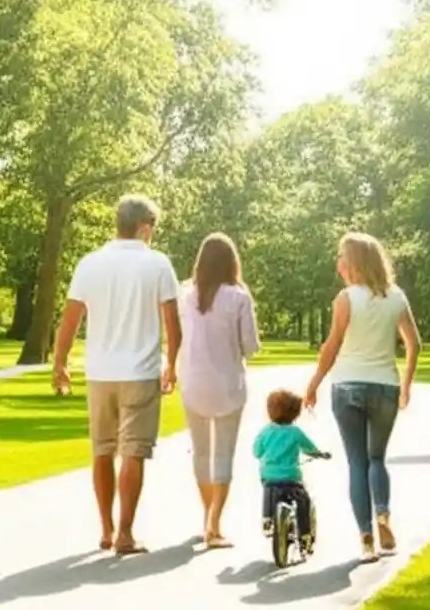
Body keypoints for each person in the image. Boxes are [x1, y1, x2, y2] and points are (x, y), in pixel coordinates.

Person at [51, 194, 182, 556]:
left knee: (102, 451)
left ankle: (106, 530)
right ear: (144, 227)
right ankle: (125, 533)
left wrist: (59, 362)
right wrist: (172, 364)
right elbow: (173, 322)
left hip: (100, 373)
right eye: (152, 228)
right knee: (133, 453)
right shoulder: (157, 264)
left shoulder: (90, 264)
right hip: (140, 372)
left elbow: (71, 319)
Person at [304, 232, 421, 563]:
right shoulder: (396, 297)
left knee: (357, 462)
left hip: (347, 387)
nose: (339, 263)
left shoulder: (345, 299)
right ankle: (383, 513)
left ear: (354, 262)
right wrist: (407, 384)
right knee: (376, 459)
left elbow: (332, 346)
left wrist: (314, 383)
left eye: (343, 257)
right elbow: (414, 343)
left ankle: (366, 538)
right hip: (385, 386)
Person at [178, 232, 260, 549]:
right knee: (224, 453)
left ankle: (206, 516)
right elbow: (249, 346)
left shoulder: (186, 294)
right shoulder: (238, 297)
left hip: (193, 382)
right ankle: (214, 523)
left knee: (201, 452)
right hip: (228, 384)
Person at [253, 389, 325, 554]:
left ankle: (268, 519)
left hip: (269, 475)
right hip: (291, 477)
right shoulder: (295, 432)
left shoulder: (266, 431)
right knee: (303, 500)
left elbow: (256, 452)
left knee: (268, 490)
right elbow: (309, 448)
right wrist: (319, 454)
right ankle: (305, 535)